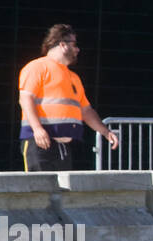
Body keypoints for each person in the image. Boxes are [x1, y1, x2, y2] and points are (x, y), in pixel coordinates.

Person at [17, 24, 119, 171]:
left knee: (61, 193)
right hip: (39, 142)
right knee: (38, 188)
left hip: (63, 146)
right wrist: (37, 129)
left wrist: (106, 132)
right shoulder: (37, 67)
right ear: (63, 44)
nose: (78, 50)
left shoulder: (73, 78)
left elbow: (86, 111)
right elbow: (26, 99)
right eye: (75, 44)